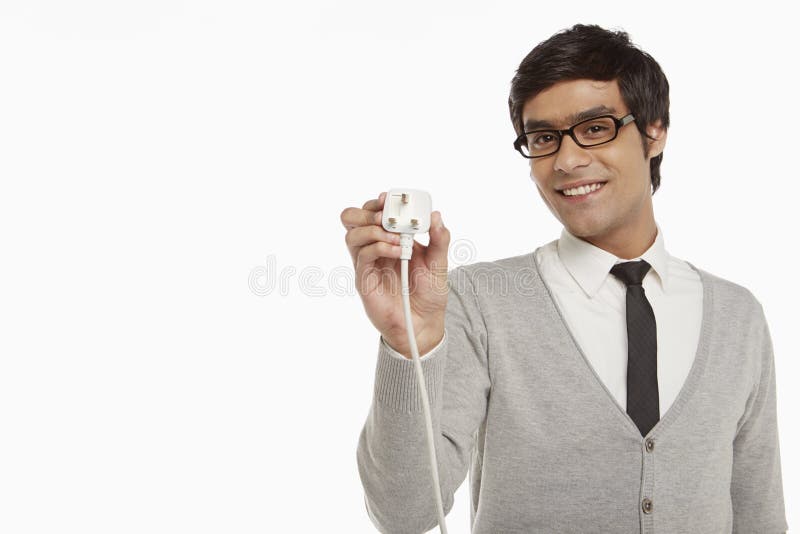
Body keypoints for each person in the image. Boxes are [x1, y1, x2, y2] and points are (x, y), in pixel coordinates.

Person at [340, 24, 787, 533]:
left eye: (595, 128)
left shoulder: (738, 316)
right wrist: (406, 347)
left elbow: (760, 516)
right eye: (544, 138)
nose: (568, 160)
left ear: (654, 131)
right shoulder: (478, 301)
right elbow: (404, 513)